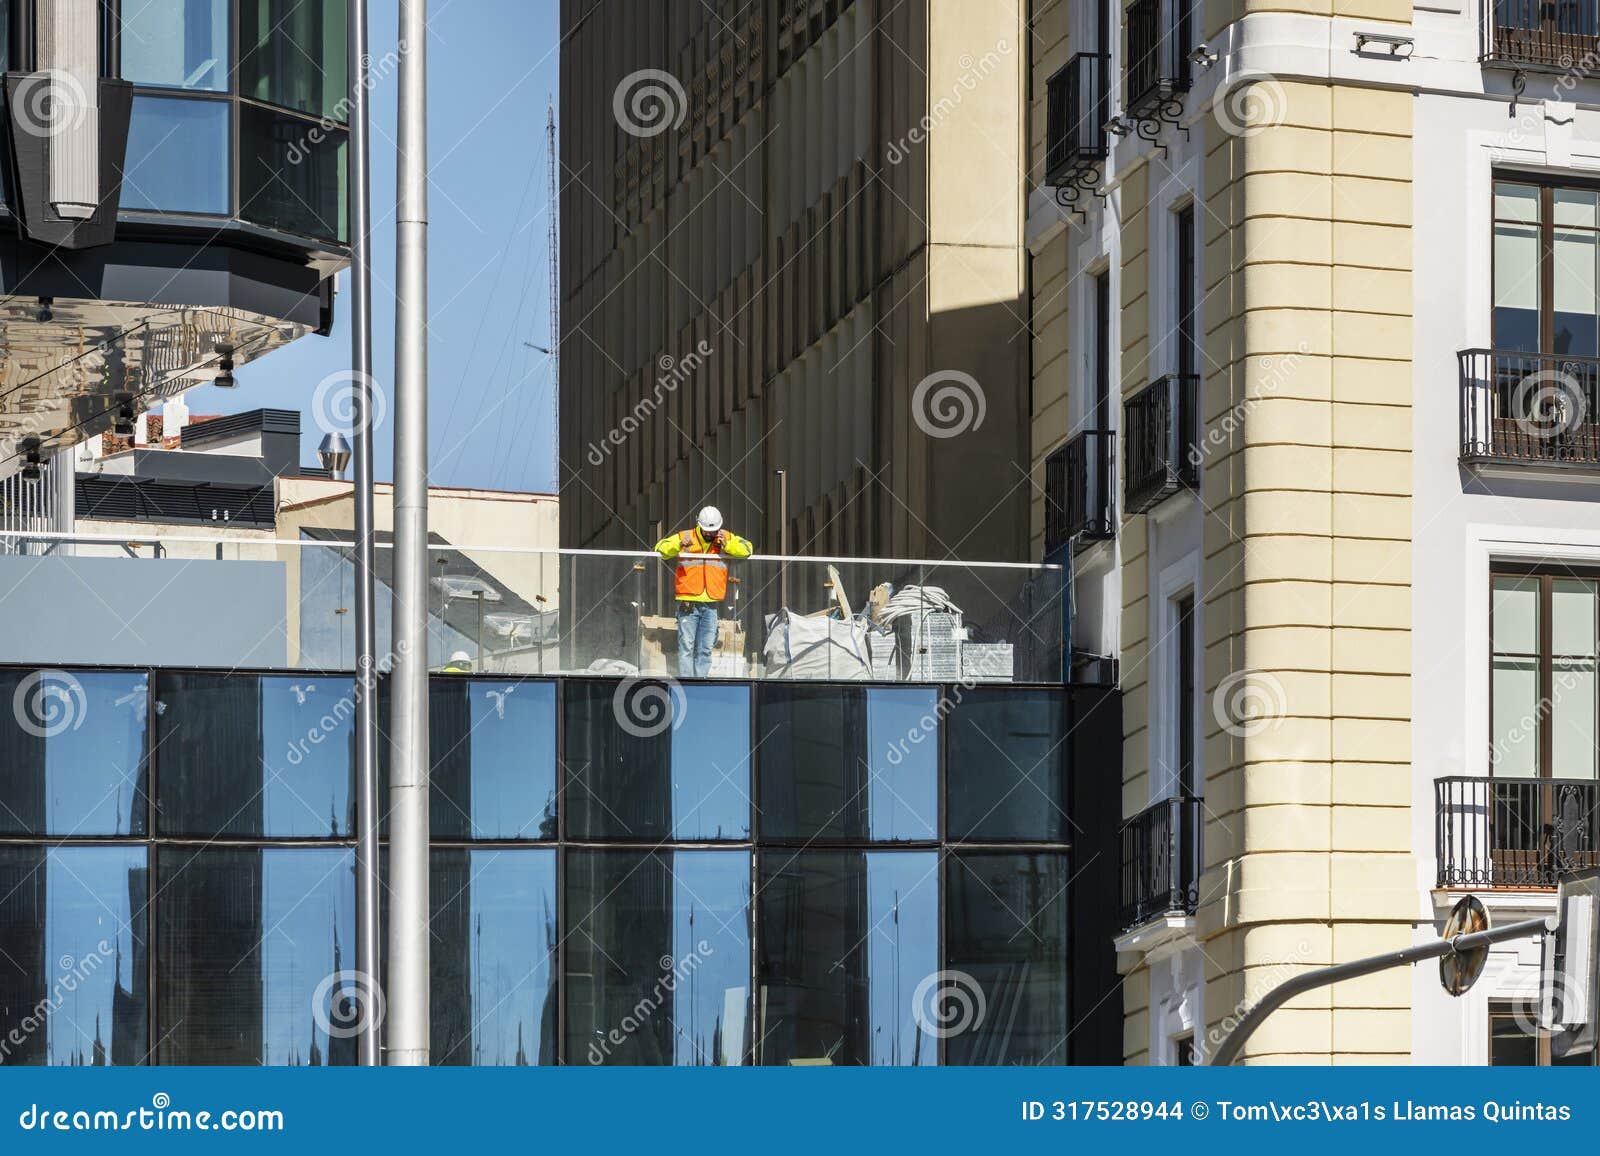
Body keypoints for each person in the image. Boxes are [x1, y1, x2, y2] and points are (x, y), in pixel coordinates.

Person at [655, 506, 752, 678]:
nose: (710, 534)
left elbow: (747, 549)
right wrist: (678, 544)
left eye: (713, 531)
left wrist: (728, 546)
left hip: (711, 603)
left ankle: (700, 682)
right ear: (699, 525)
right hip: (687, 602)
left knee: (706, 647)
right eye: (707, 531)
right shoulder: (685, 536)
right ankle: (687, 683)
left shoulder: (725, 537)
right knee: (686, 646)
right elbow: (660, 549)